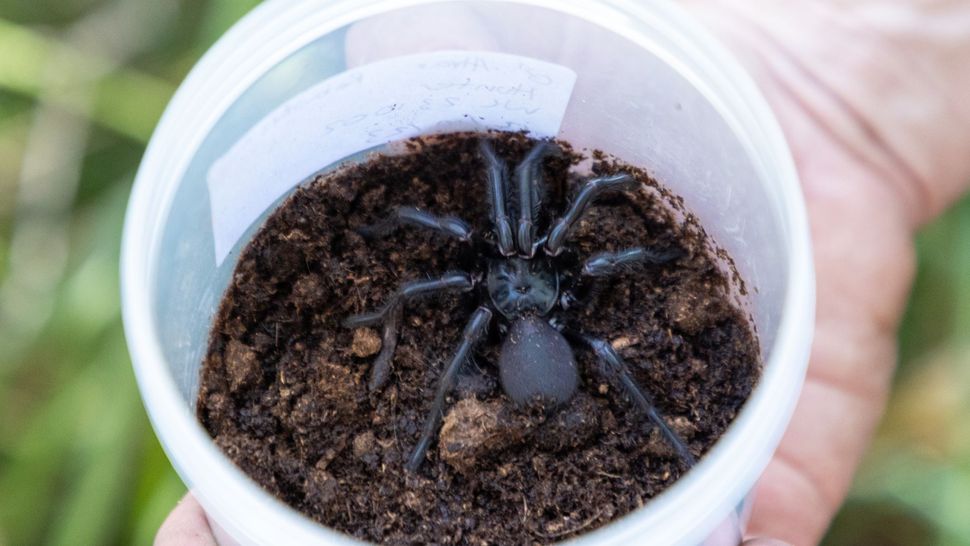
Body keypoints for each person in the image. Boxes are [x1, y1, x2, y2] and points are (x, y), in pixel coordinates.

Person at [157, 0, 970, 544]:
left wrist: (630, 237)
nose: (511, 247)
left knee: (512, 303)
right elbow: (544, 234)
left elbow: (440, 273)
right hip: (536, 330)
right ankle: (668, 441)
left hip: (529, 334)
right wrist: (633, 241)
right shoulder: (536, 272)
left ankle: (477, 443)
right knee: (583, 326)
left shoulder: (505, 280)